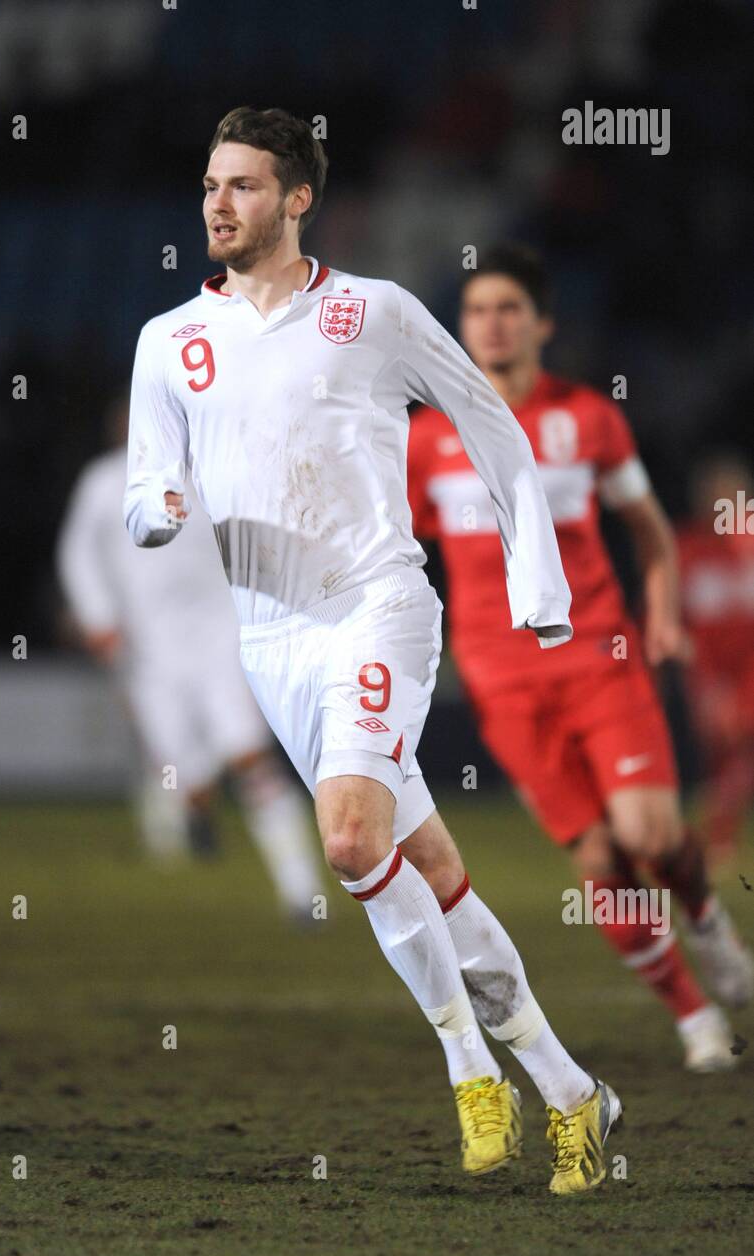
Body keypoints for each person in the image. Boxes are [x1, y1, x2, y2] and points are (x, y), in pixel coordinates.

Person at [124, 106, 622, 1194]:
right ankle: (572, 1087)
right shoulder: (168, 342)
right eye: (211, 183)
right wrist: (156, 507)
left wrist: (539, 585)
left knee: (351, 842)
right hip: (270, 640)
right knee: (427, 870)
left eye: (244, 184)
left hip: (375, 604)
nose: (218, 202)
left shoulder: (373, 313)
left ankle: (464, 1067)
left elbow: (490, 422)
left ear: (297, 198)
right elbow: (144, 484)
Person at [407, 243, 753, 1073]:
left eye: (507, 309)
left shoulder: (588, 420)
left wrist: (662, 614)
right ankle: (694, 1015)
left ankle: (704, 919)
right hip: (501, 681)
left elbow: (649, 533)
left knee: (650, 834)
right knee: (599, 858)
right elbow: (398, 548)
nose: (490, 325)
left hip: (599, 659)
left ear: (542, 325)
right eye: (477, 311)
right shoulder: (425, 438)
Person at [57, 396, 325, 925]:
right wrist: (98, 618)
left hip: (220, 639)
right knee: (181, 772)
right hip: (148, 651)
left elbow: (260, 542)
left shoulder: (213, 473)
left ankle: (302, 894)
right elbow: (77, 553)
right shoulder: (102, 484)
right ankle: (198, 807)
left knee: (249, 755)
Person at [676, 450, 754, 868]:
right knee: (722, 754)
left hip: (750, 670)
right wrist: (703, 681)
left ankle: (719, 834)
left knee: (742, 748)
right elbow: (674, 618)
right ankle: (718, 834)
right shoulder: (688, 549)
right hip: (707, 673)